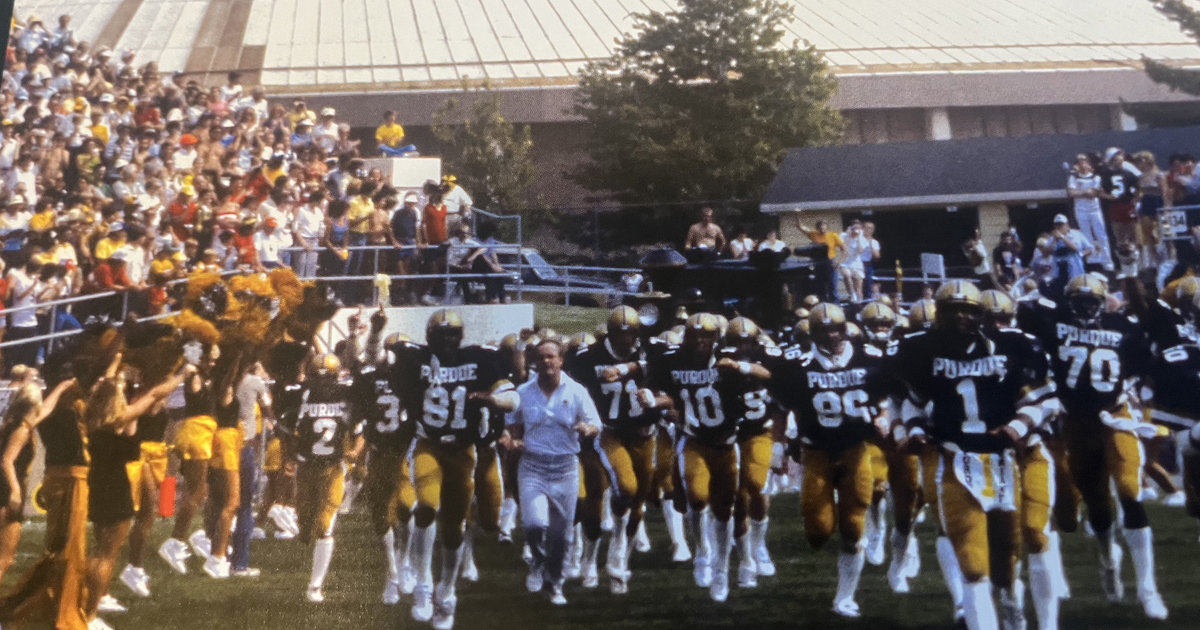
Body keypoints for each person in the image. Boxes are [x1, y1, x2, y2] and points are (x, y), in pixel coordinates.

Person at [891, 281, 1052, 629]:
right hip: (954, 460)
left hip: (1001, 461)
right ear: (939, 313)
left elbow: (1039, 401)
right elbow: (913, 403)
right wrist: (914, 431)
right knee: (973, 564)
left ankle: (1011, 602)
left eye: (968, 310)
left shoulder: (1007, 347)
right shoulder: (921, 351)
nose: (961, 316)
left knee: (1007, 556)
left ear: (980, 314)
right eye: (953, 310)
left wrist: (1018, 427)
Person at [1018, 274, 1166, 621]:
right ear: (1068, 303)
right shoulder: (1054, 323)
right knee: (1098, 507)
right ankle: (1107, 558)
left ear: (1103, 302)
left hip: (1115, 416)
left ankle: (1148, 589)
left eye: (1092, 301)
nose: (1086, 308)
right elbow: (1019, 310)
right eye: (1079, 302)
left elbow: (1145, 348)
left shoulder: (1122, 326)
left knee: (1129, 490)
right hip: (1075, 423)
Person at [392, 309, 518, 629]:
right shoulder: (414, 359)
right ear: (430, 337)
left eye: (452, 335)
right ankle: (423, 585)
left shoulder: (478, 359)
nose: (447, 341)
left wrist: (493, 400)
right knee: (426, 506)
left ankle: (446, 592)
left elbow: (512, 397)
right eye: (441, 335)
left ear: (460, 337)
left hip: (463, 451)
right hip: (429, 445)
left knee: (454, 529)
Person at [645, 313, 772, 603]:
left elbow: (767, 374)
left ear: (716, 338)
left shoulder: (729, 358)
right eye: (696, 336)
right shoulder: (673, 360)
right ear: (687, 338)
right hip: (694, 439)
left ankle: (728, 567)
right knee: (697, 497)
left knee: (729, 510)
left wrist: (740, 366)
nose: (701, 341)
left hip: (729, 443)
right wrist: (655, 400)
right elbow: (656, 381)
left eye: (707, 336)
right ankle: (704, 553)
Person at [771, 304, 888, 617]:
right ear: (813, 334)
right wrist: (781, 446)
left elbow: (886, 395)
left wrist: (883, 417)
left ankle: (845, 597)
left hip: (855, 450)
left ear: (845, 329)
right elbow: (782, 407)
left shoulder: (869, 358)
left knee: (852, 526)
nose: (832, 335)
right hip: (817, 452)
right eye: (824, 330)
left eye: (836, 328)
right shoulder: (798, 365)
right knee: (818, 531)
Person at [507, 337, 600, 606]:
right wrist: (512, 438)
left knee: (561, 534)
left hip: (564, 467)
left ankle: (555, 582)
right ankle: (537, 561)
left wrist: (587, 428)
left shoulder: (576, 391)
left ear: (561, 360)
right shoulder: (524, 392)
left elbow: (595, 422)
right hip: (533, 465)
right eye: (541, 357)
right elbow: (512, 421)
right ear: (534, 363)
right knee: (534, 524)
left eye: (551, 357)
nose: (546, 361)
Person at [288, 353, 363, 602]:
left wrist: (355, 450)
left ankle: (315, 586)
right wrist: (291, 454)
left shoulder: (346, 398)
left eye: (326, 378)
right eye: (317, 378)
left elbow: (361, 430)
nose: (322, 384)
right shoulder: (302, 395)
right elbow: (289, 429)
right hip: (307, 466)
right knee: (305, 524)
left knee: (324, 525)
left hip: (333, 466)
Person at [231, 364, 272, 578]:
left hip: (221, 444)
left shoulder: (223, 379)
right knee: (245, 505)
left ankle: (217, 554)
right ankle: (240, 562)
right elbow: (268, 407)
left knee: (222, 504)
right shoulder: (254, 382)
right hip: (243, 445)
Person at [1068, 153, 1113, 272]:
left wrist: (1081, 192)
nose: (1082, 165)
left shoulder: (1096, 178)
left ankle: (1107, 261)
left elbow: (1094, 193)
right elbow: (1071, 192)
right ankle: (1092, 258)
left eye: (1085, 162)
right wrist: (1084, 192)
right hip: (1081, 210)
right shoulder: (1073, 178)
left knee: (1101, 235)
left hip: (1094, 210)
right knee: (1086, 235)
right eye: (1080, 163)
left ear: (1089, 165)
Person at [1099, 148, 1140, 254]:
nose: (1121, 160)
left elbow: (1138, 187)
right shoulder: (1105, 175)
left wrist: (1136, 199)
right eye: (1118, 157)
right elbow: (1100, 191)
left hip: (1128, 204)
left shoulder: (1128, 173)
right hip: (1115, 205)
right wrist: (1108, 196)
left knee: (1134, 231)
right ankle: (1124, 255)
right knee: (1120, 233)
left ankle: (1136, 253)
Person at [1132, 150, 1169, 268]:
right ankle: (1153, 254)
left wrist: (1166, 209)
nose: (1138, 164)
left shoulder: (1159, 174)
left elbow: (1164, 192)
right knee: (1146, 228)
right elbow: (1139, 191)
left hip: (1158, 201)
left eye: (1140, 161)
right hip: (1146, 201)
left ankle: (1167, 253)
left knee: (1164, 229)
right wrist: (1135, 201)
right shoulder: (1141, 176)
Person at [798, 219, 845, 302]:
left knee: (832, 287)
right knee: (820, 287)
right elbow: (801, 227)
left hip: (830, 262)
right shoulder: (814, 235)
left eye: (823, 226)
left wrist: (839, 263)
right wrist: (797, 215)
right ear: (817, 228)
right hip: (818, 262)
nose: (822, 228)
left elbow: (844, 250)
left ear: (826, 226)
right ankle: (822, 304)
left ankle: (835, 305)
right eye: (820, 226)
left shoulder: (833, 235)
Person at [1046, 214, 1092, 298]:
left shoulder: (1077, 234)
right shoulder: (1052, 238)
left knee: (1076, 293)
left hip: (1075, 272)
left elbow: (1078, 248)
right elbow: (1046, 252)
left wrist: (1063, 237)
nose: (1059, 227)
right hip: (1059, 272)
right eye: (1057, 225)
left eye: (1061, 224)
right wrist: (1054, 240)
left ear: (1066, 224)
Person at [840, 222, 870, 302]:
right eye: (854, 228)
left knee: (858, 287)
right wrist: (848, 237)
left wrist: (859, 237)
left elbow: (860, 250)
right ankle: (852, 294)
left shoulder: (863, 240)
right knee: (847, 276)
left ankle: (859, 301)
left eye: (858, 229)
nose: (855, 231)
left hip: (857, 264)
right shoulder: (844, 236)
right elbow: (843, 249)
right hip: (846, 263)